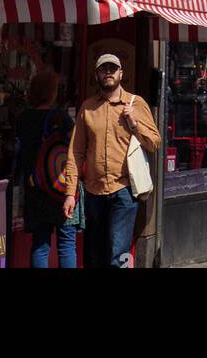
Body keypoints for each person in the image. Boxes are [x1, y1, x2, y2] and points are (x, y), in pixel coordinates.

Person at [63, 52, 161, 268]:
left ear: (121, 73)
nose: (108, 72)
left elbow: (155, 142)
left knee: (118, 255)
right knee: (94, 256)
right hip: (93, 192)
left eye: (112, 69)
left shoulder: (136, 104)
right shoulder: (87, 108)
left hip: (123, 190)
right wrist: (70, 193)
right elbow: (76, 152)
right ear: (96, 75)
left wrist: (134, 123)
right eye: (103, 69)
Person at [16, 71, 82, 268]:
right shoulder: (60, 117)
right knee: (66, 243)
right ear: (52, 92)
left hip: (35, 186)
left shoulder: (23, 118)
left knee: (40, 243)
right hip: (61, 187)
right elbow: (75, 148)